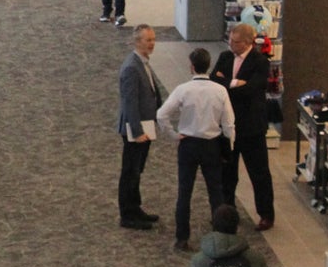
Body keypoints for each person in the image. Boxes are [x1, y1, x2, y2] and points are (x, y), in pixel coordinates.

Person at [157, 47, 236, 252]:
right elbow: (228, 124)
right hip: (211, 145)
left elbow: (161, 115)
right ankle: (221, 237)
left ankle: (182, 237)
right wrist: (230, 147)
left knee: (185, 192)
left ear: (191, 66)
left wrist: (173, 135)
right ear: (208, 65)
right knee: (215, 192)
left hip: (188, 144)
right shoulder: (220, 90)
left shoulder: (183, 89)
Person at [211, 24, 276, 230]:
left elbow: (252, 89)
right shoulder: (225, 57)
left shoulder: (260, 62)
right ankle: (225, 213)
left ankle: (266, 214)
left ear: (248, 42)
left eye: (236, 41)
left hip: (251, 128)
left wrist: (228, 84)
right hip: (227, 126)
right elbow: (214, 81)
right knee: (227, 173)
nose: (231, 44)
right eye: (230, 39)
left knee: (259, 173)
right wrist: (235, 83)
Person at [115, 23, 166, 230]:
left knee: (137, 170)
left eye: (153, 39)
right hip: (135, 129)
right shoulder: (131, 68)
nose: (152, 44)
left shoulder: (141, 63)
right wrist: (137, 132)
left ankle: (135, 208)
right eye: (148, 40)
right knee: (130, 171)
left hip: (145, 125)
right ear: (138, 42)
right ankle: (128, 214)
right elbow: (130, 103)